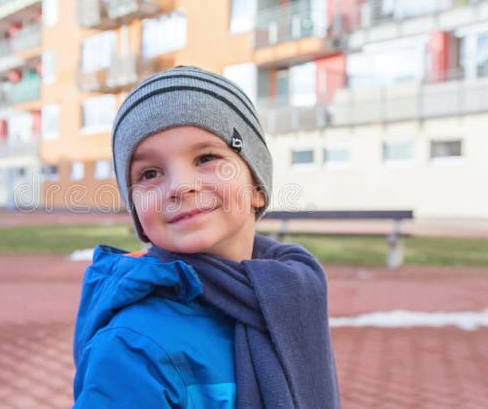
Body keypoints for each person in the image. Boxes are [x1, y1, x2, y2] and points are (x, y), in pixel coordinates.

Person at [72, 66, 339, 408]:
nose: (180, 186)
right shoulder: (130, 348)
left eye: (207, 158)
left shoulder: (290, 294)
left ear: (257, 186)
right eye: (149, 173)